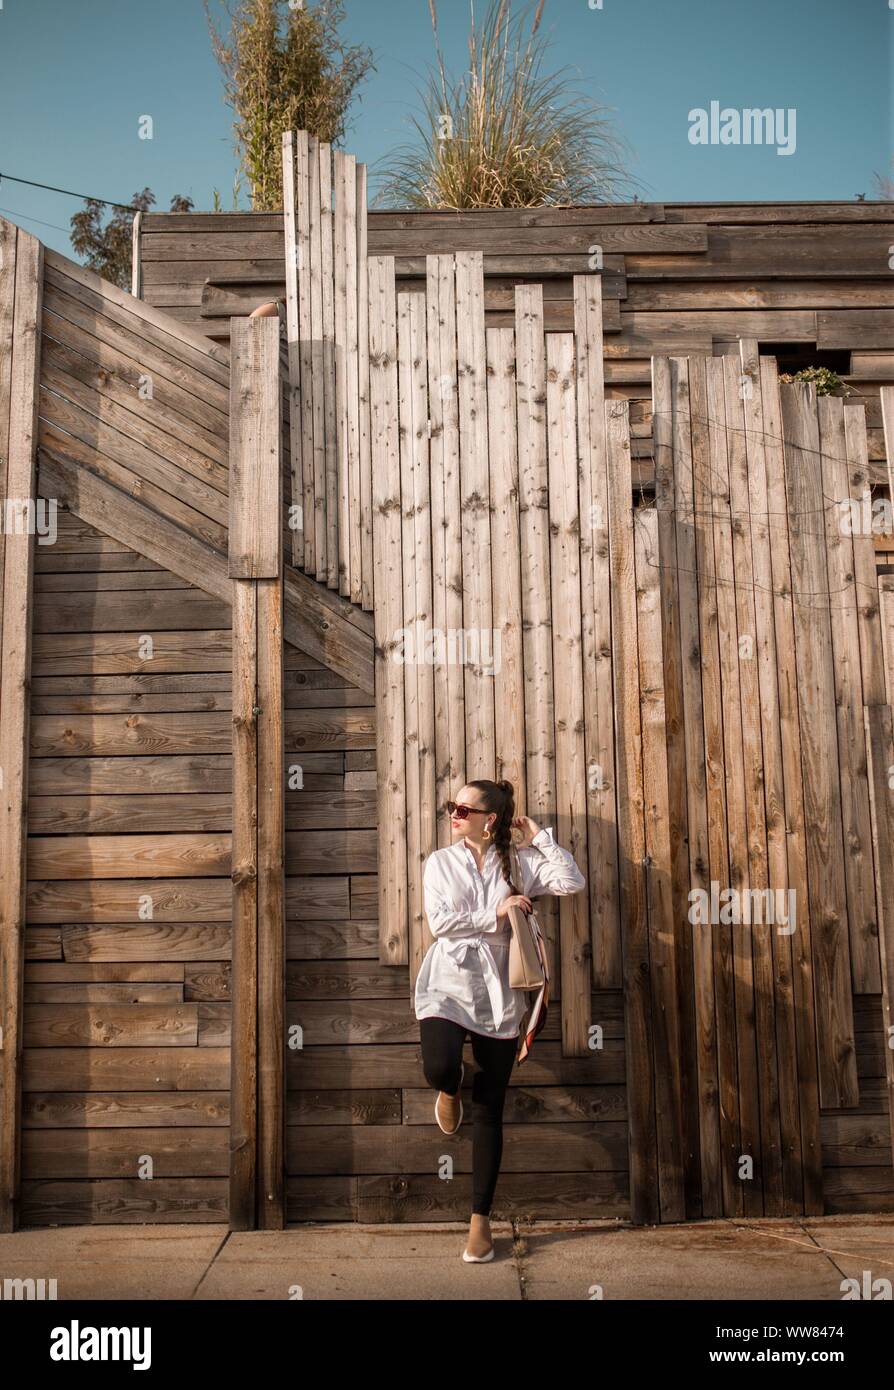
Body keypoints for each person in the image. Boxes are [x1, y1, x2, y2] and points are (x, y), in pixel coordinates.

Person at [415, 779, 586, 1263]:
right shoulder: (440, 862)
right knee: (439, 1067)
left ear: (488, 819)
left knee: (491, 1107)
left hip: (499, 994)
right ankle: (449, 1091)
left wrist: (541, 840)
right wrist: (498, 911)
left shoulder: (520, 863)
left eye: (461, 807)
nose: (453, 813)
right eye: (452, 805)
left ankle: (480, 1223)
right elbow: (441, 923)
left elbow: (572, 883)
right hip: (447, 983)